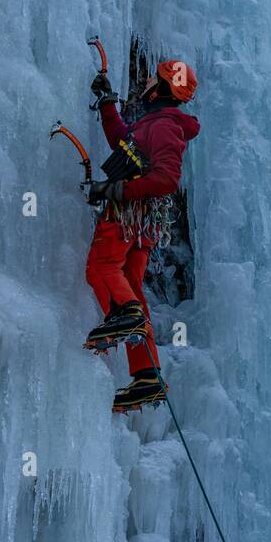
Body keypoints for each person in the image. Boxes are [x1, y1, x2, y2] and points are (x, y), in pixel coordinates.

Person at [84, 60, 200, 412]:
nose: (147, 82)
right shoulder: (157, 123)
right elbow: (126, 143)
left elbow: (166, 178)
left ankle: (127, 315)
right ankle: (146, 373)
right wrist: (108, 103)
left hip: (130, 212)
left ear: (162, 86)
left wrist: (116, 189)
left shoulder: (166, 126)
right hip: (144, 221)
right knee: (130, 282)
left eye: (153, 78)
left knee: (101, 267)